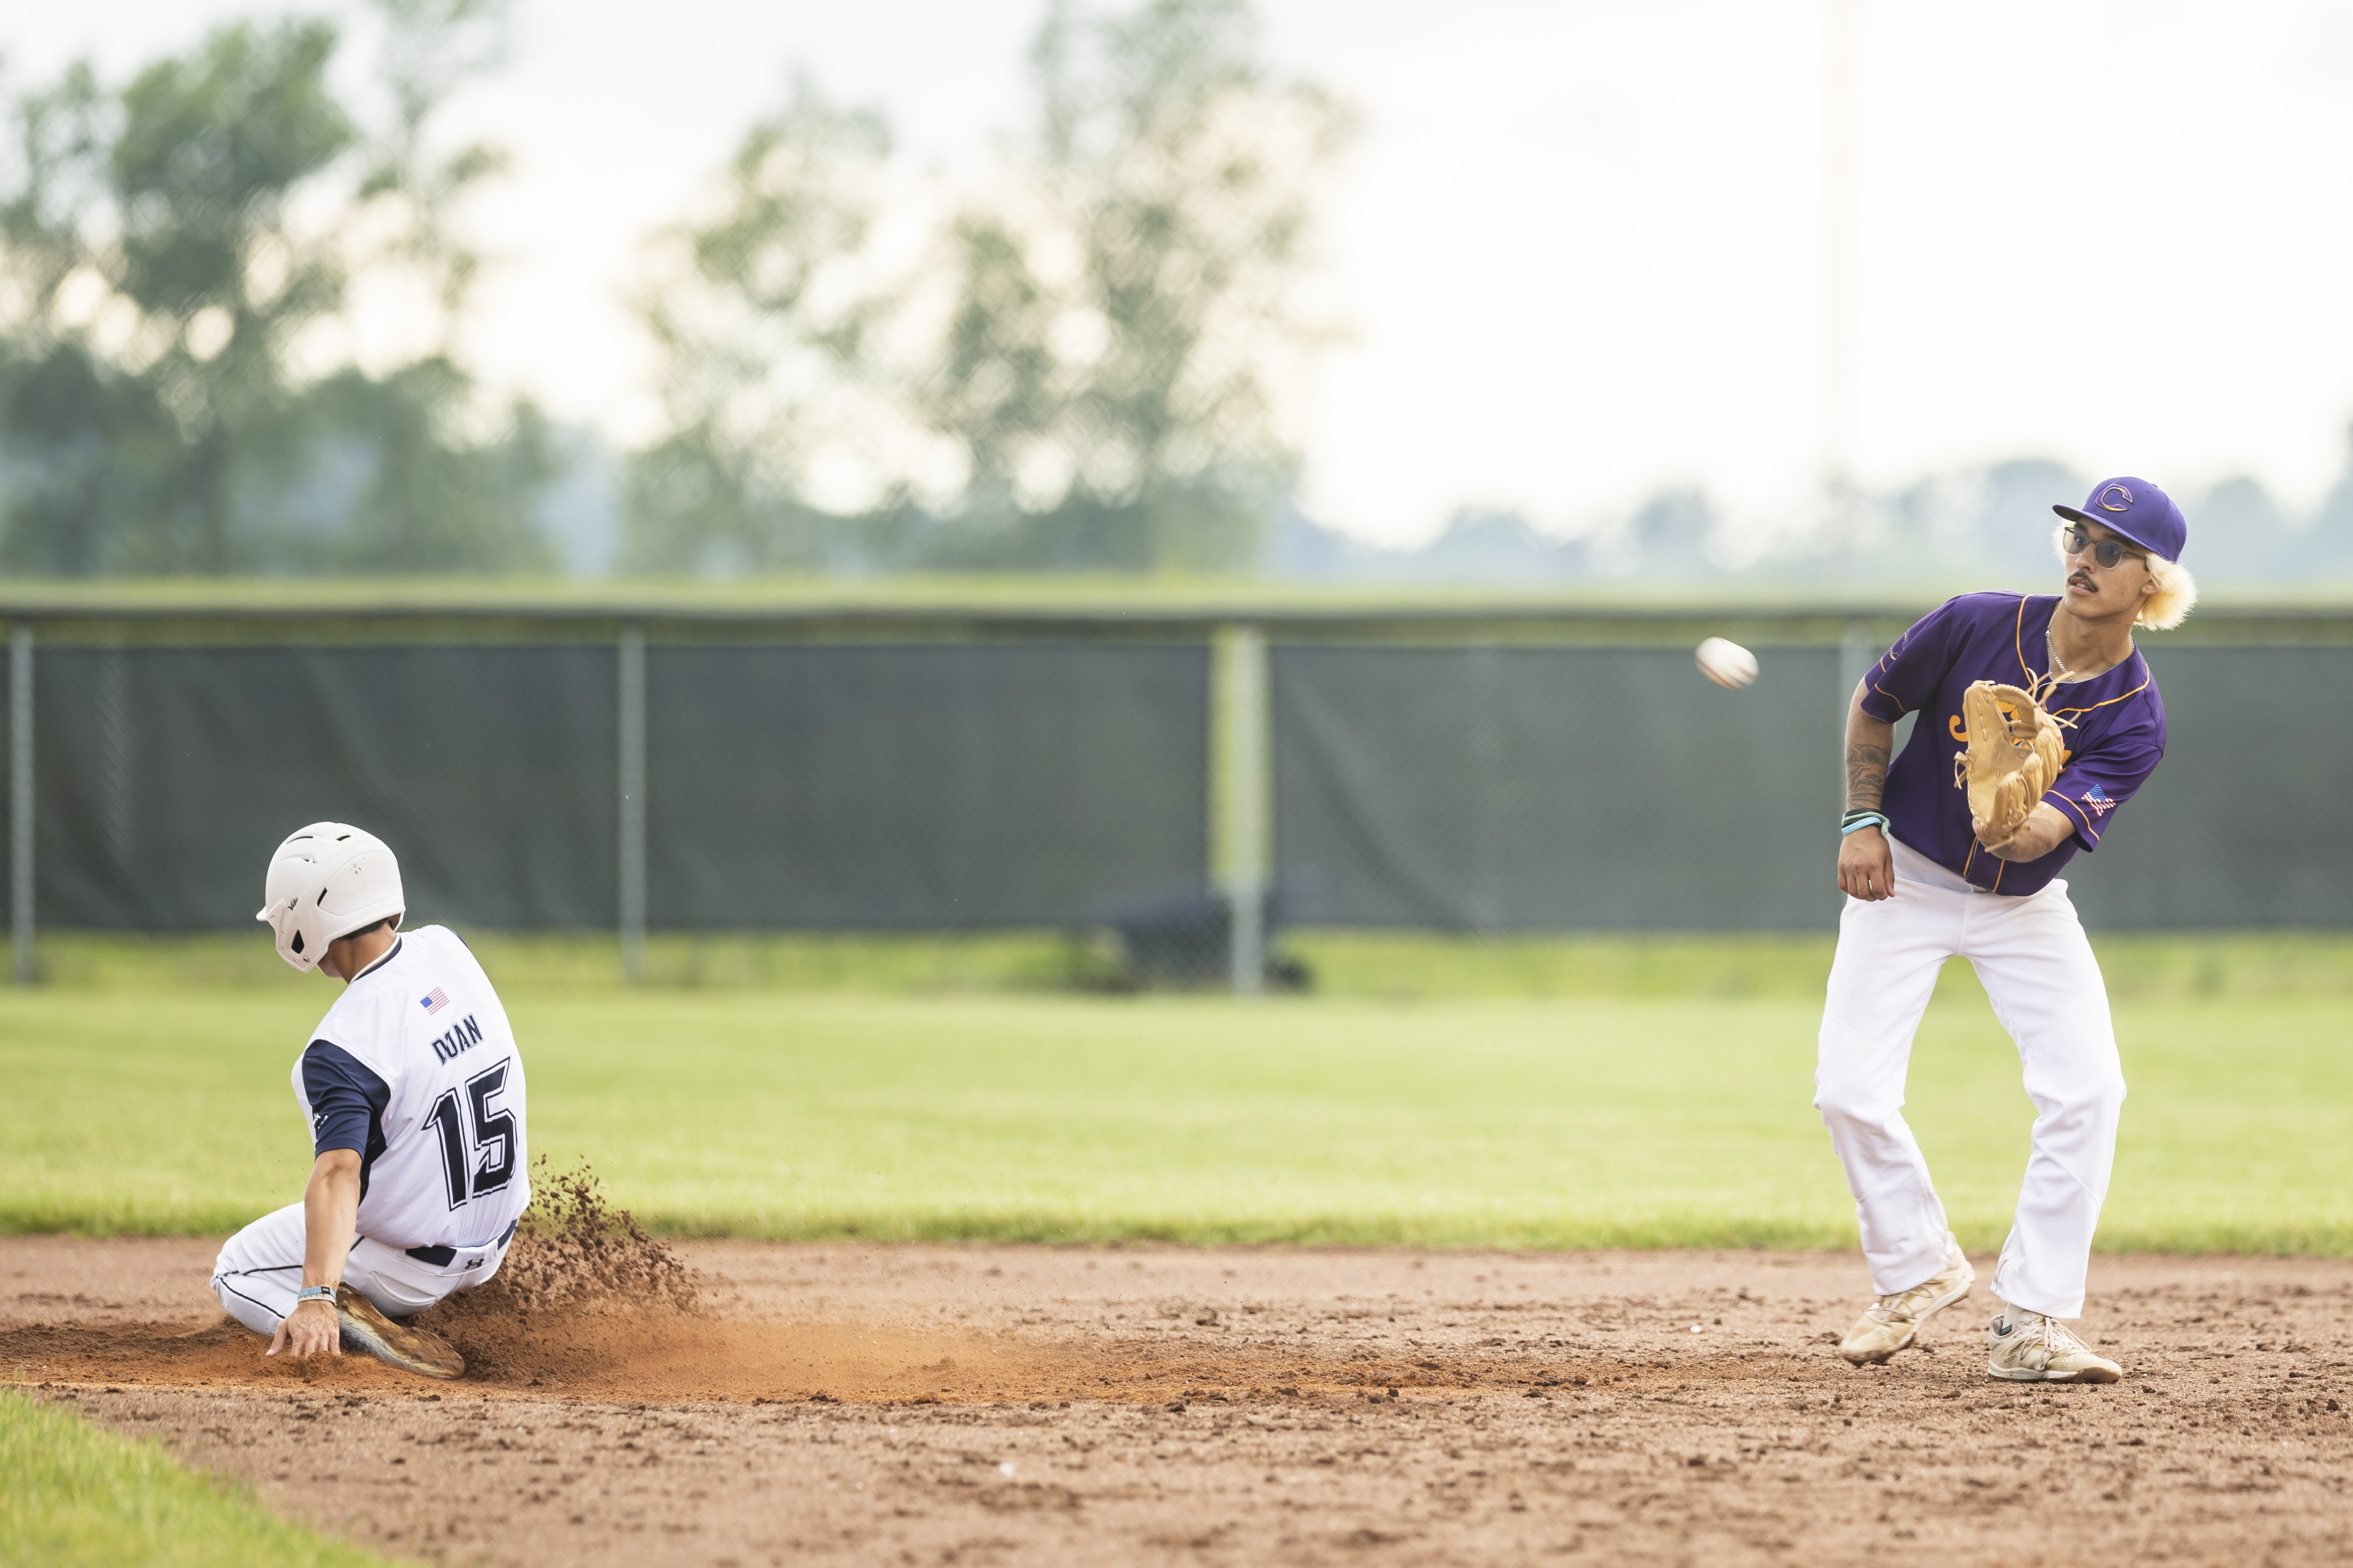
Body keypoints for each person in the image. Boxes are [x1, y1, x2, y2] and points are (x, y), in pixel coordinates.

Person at [1817, 477, 2195, 1383]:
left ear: (2153, 581)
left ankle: (2031, 1321)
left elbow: (2039, 836)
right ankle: (1918, 1269)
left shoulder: (2135, 718)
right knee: (1847, 1091)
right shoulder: (1975, 621)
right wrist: (1860, 821)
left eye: (2111, 550)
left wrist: (2002, 823)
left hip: (2022, 906)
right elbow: (1875, 704)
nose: (2084, 559)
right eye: (2078, 538)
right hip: (1903, 878)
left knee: (2089, 1088)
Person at [210, 823, 530, 1379]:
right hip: (496, 1241)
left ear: (308, 916)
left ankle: (350, 1324)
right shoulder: (448, 950)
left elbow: (338, 1172)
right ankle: (400, 1297)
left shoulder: (341, 1043)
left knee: (235, 1270)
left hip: (412, 1270)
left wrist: (314, 1292)